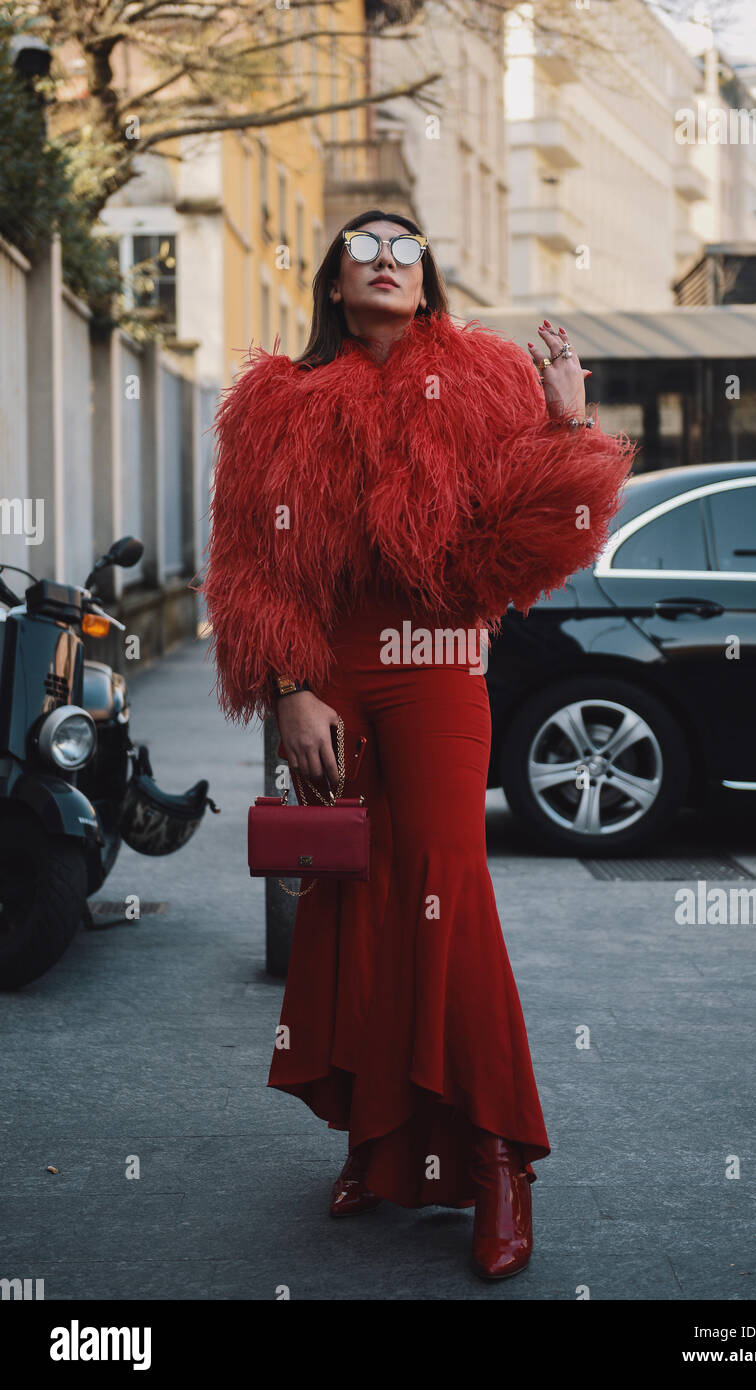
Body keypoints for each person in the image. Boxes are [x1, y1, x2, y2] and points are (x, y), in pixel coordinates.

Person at [201, 208, 634, 1281]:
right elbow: (252, 562)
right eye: (367, 248)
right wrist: (292, 689)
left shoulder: (486, 378)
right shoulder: (278, 403)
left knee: (448, 880)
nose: (390, 261)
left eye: (408, 247)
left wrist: (567, 430)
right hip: (334, 666)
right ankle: (382, 1136)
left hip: (441, 656)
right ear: (335, 280)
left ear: (429, 275)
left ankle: (496, 1155)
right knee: (356, 894)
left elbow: (522, 548)